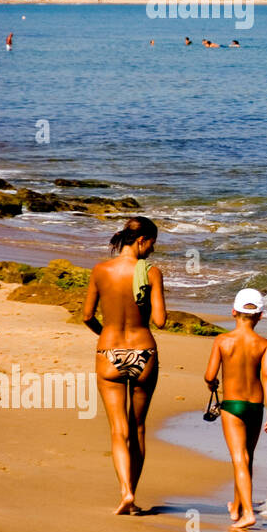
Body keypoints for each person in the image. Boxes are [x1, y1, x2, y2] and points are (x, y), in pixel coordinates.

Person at [82, 217, 166, 515]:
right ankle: (133, 495)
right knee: (137, 427)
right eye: (152, 243)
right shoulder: (151, 272)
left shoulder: (100, 270)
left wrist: (104, 333)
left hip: (109, 352)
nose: (152, 250)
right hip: (143, 352)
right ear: (142, 240)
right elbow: (160, 321)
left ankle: (125, 492)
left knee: (118, 430)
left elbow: (87, 316)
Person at [204, 289, 267, 529]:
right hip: (256, 405)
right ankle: (236, 506)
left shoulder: (222, 341)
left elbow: (210, 375)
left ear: (233, 312)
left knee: (238, 458)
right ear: (260, 316)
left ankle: (248, 513)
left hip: (232, 405)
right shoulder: (264, 344)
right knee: (248, 458)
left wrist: (211, 384)